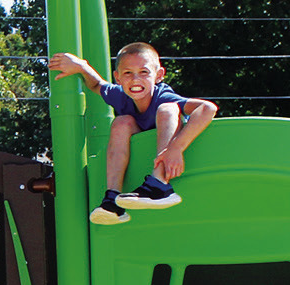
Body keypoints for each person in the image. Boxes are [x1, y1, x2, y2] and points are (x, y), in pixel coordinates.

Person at [49, 41, 217, 225]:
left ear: (159, 75)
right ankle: (112, 199)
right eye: (128, 73)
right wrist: (82, 67)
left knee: (168, 109)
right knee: (121, 122)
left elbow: (207, 108)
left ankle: (159, 183)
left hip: (169, 150)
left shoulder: (163, 96)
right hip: (142, 145)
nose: (135, 79)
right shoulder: (121, 96)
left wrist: (176, 148)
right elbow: (97, 85)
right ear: (118, 77)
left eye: (144, 72)